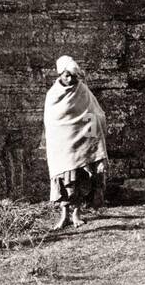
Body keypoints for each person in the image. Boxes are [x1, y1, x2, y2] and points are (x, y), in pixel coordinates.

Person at [43, 55, 109, 230]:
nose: (70, 79)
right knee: (64, 180)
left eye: (73, 75)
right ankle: (64, 215)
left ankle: (76, 214)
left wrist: (91, 144)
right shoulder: (53, 95)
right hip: (62, 145)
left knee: (80, 179)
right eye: (67, 75)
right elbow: (51, 122)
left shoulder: (82, 91)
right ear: (60, 75)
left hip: (81, 144)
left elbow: (93, 113)